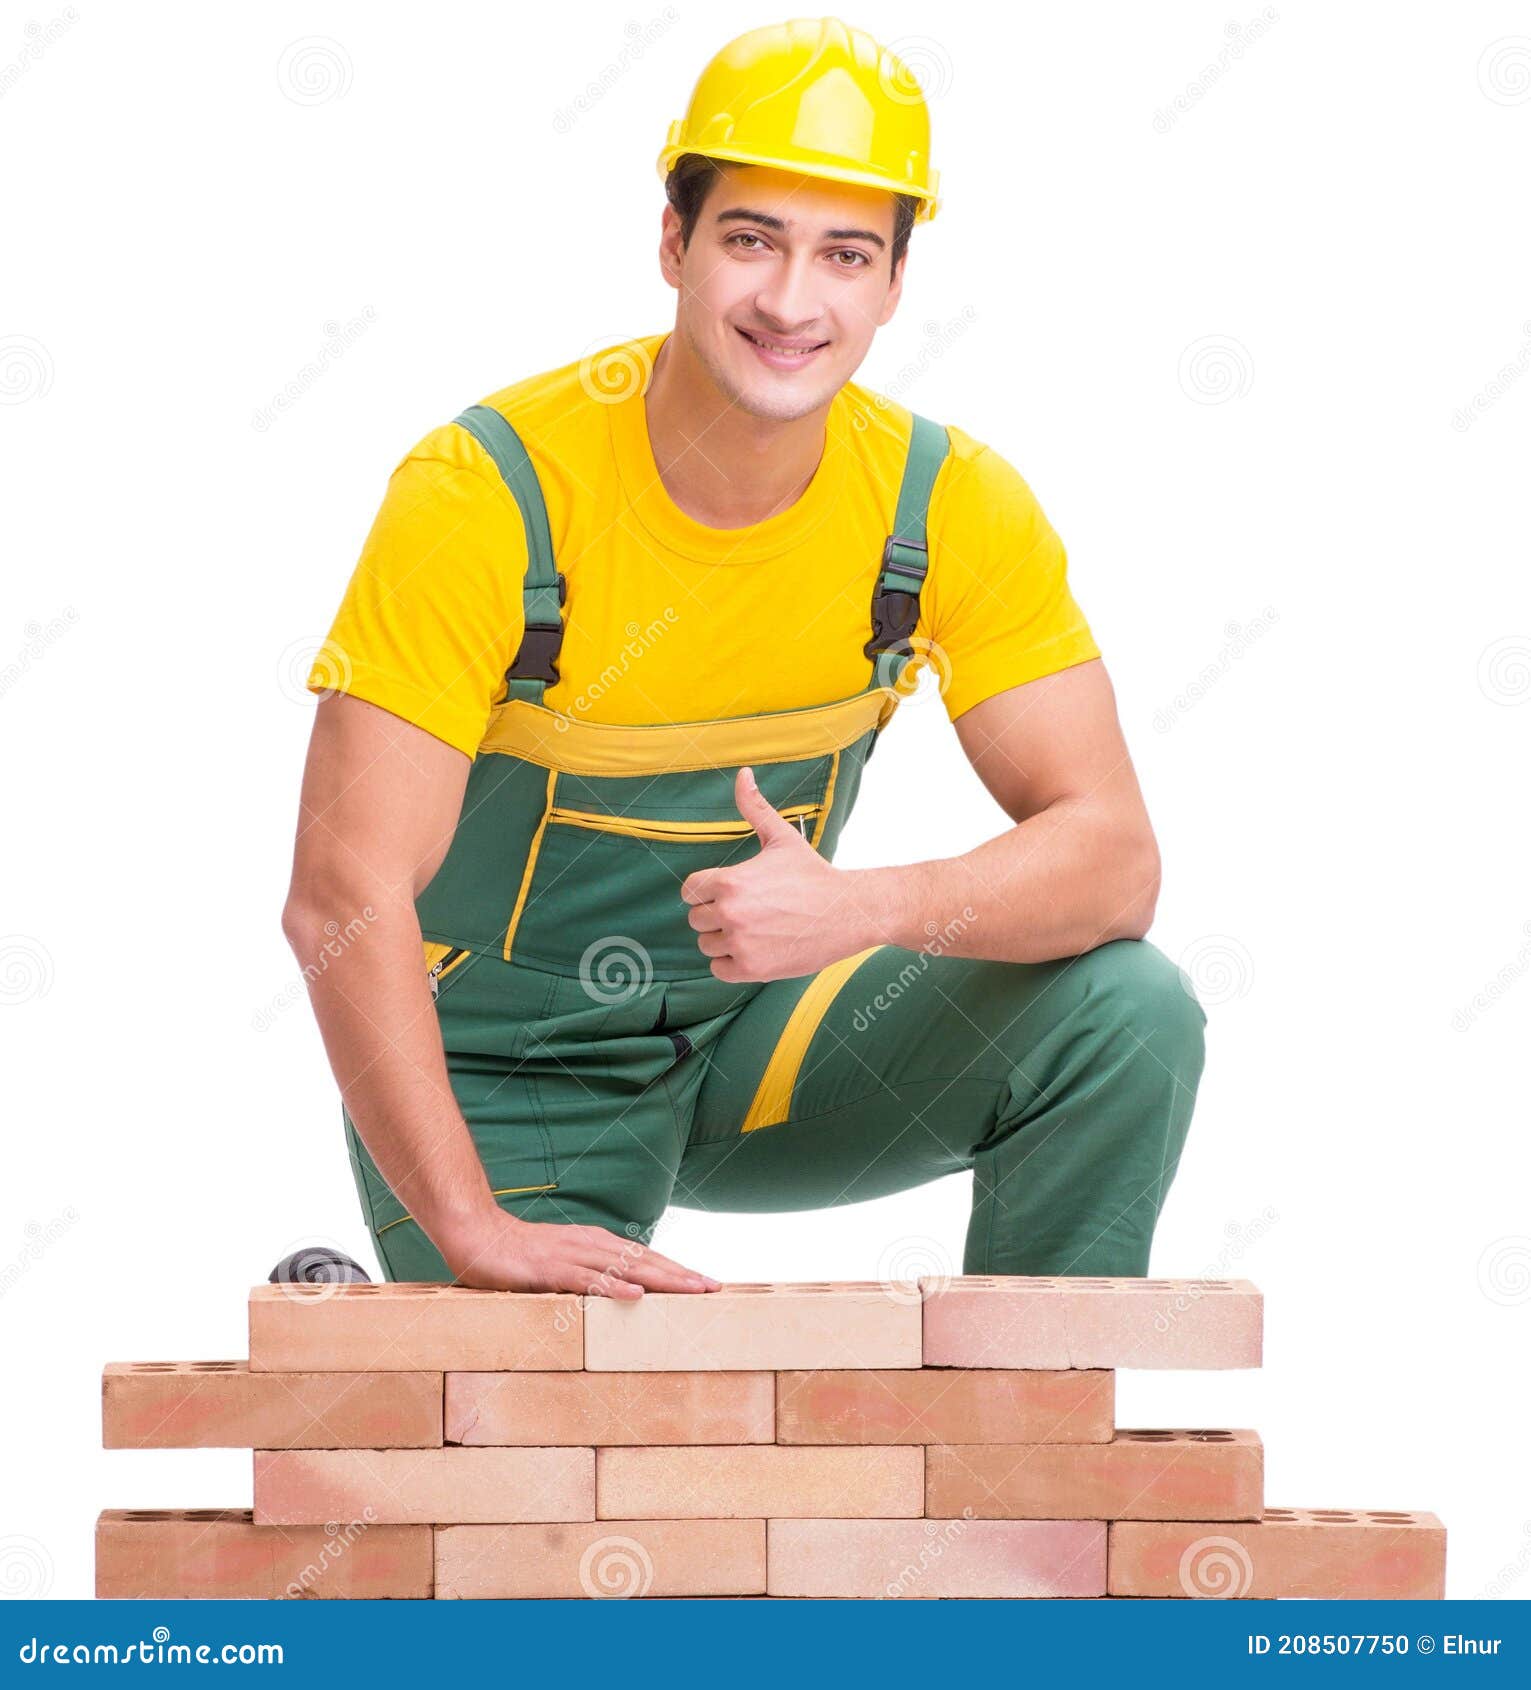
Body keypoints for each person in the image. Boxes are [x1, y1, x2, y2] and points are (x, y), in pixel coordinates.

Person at [280, 16, 1207, 1299]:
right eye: (751, 239)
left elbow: (1114, 861)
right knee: (580, 1416)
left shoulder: (942, 507)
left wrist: (863, 909)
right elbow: (342, 895)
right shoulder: (490, 493)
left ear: (895, 282)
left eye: (844, 254)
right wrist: (469, 1225)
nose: (790, 301)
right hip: (502, 1078)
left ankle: (1030, 1410)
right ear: (674, 241)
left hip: (755, 1037)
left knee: (1125, 1013)